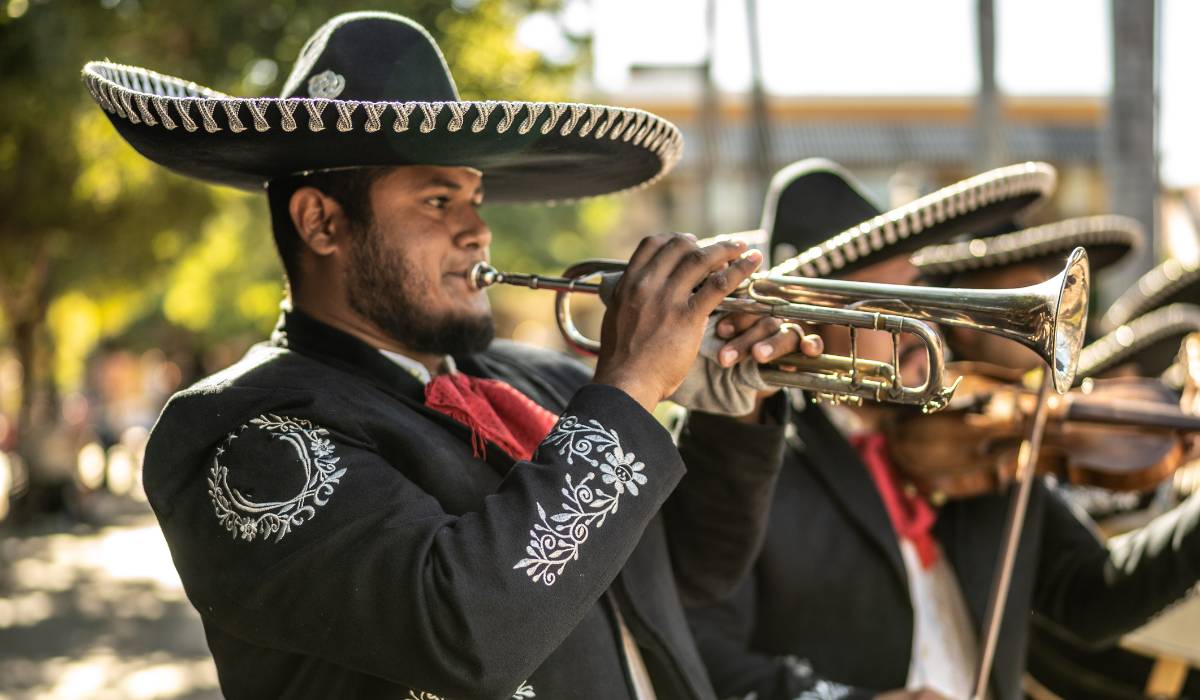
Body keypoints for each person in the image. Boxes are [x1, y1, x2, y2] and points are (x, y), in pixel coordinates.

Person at [84, 12, 815, 699]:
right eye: (439, 202)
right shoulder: (244, 432)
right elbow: (466, 631)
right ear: (322, 223)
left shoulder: (548, 381)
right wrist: (629, 387)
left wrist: (734, 414)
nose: (478, 232)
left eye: (476, 198)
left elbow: (689, 572)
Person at [687, 159, 1200, 700]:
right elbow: (704, 653)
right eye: (878, 305)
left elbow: (1095, 600)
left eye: (918, 294)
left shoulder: (978, 432)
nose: (917, 322)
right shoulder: (749, 457)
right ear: (805, 322)